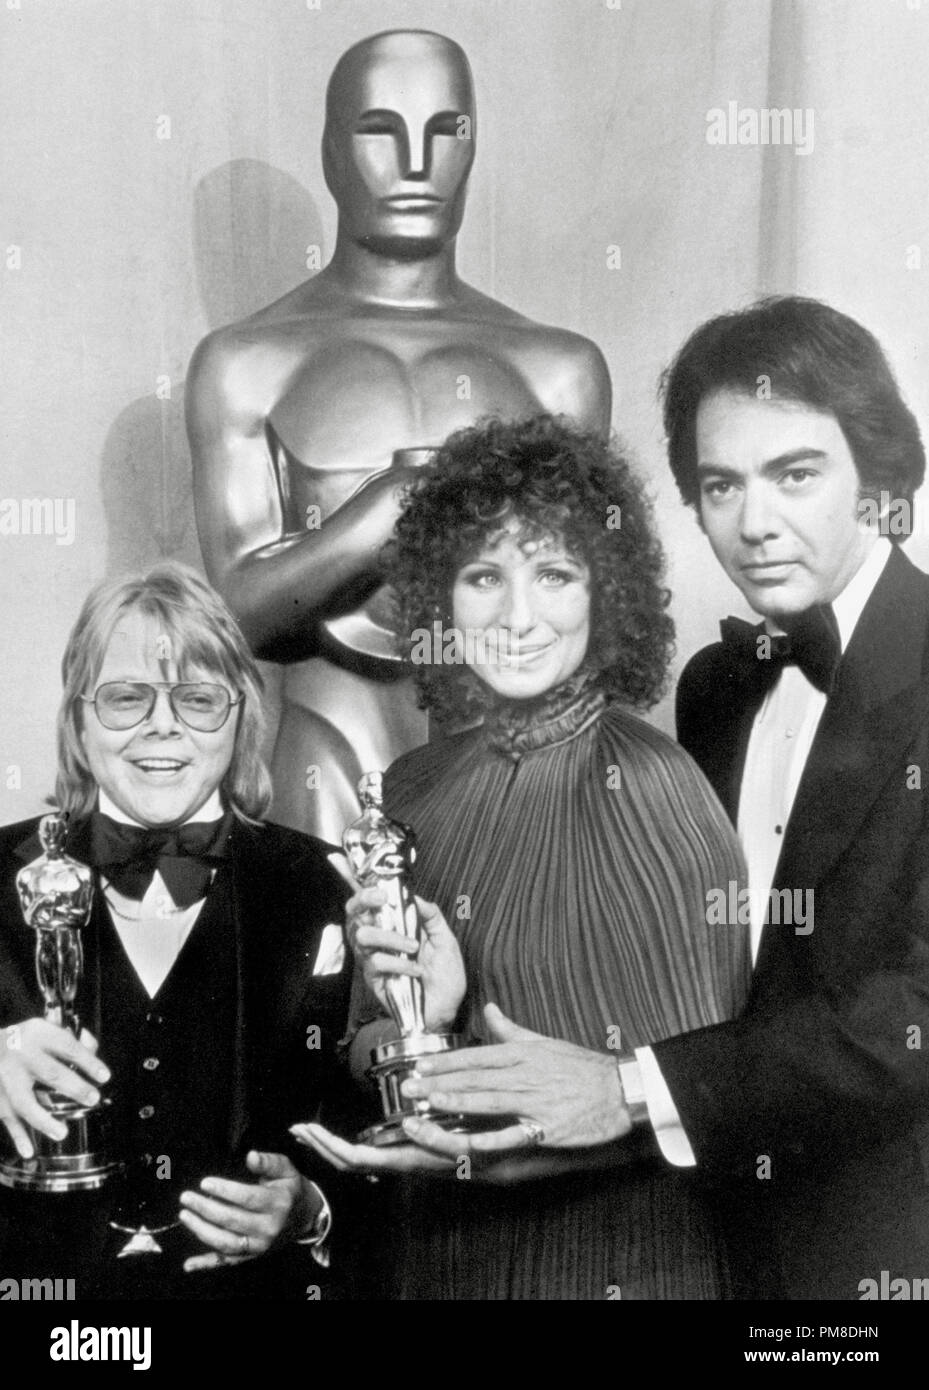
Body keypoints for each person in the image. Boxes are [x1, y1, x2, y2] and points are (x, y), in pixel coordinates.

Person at [296, 414, 750, 1300]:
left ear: (603, 594)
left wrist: (453, 1123)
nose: (516, 616)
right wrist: (422, 1022)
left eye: (553, 574)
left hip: (621, 1264)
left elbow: (693, 1101)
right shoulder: (412, 788)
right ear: (440, 596)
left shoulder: (654, 784)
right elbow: (369, 1050)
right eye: (482, 576)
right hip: (440, 1262)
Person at [186, 28, 611, 846]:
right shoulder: (245, 362)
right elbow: (236, 615)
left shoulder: (559, 370)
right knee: (325, 969)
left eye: (446, 131)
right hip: (324, 752)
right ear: (330, 152)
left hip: (512, 769)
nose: (416, 162)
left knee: (507, 974)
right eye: (379, 130)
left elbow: (590, 620)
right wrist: (380, 520)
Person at [0, 562, 352, 1299]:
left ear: (240, 718)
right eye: (127, 698)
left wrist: (309, 1209)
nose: (163, 725)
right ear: (77, 720)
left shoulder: (327, 885)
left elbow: (384, 1132)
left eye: (197, 699)